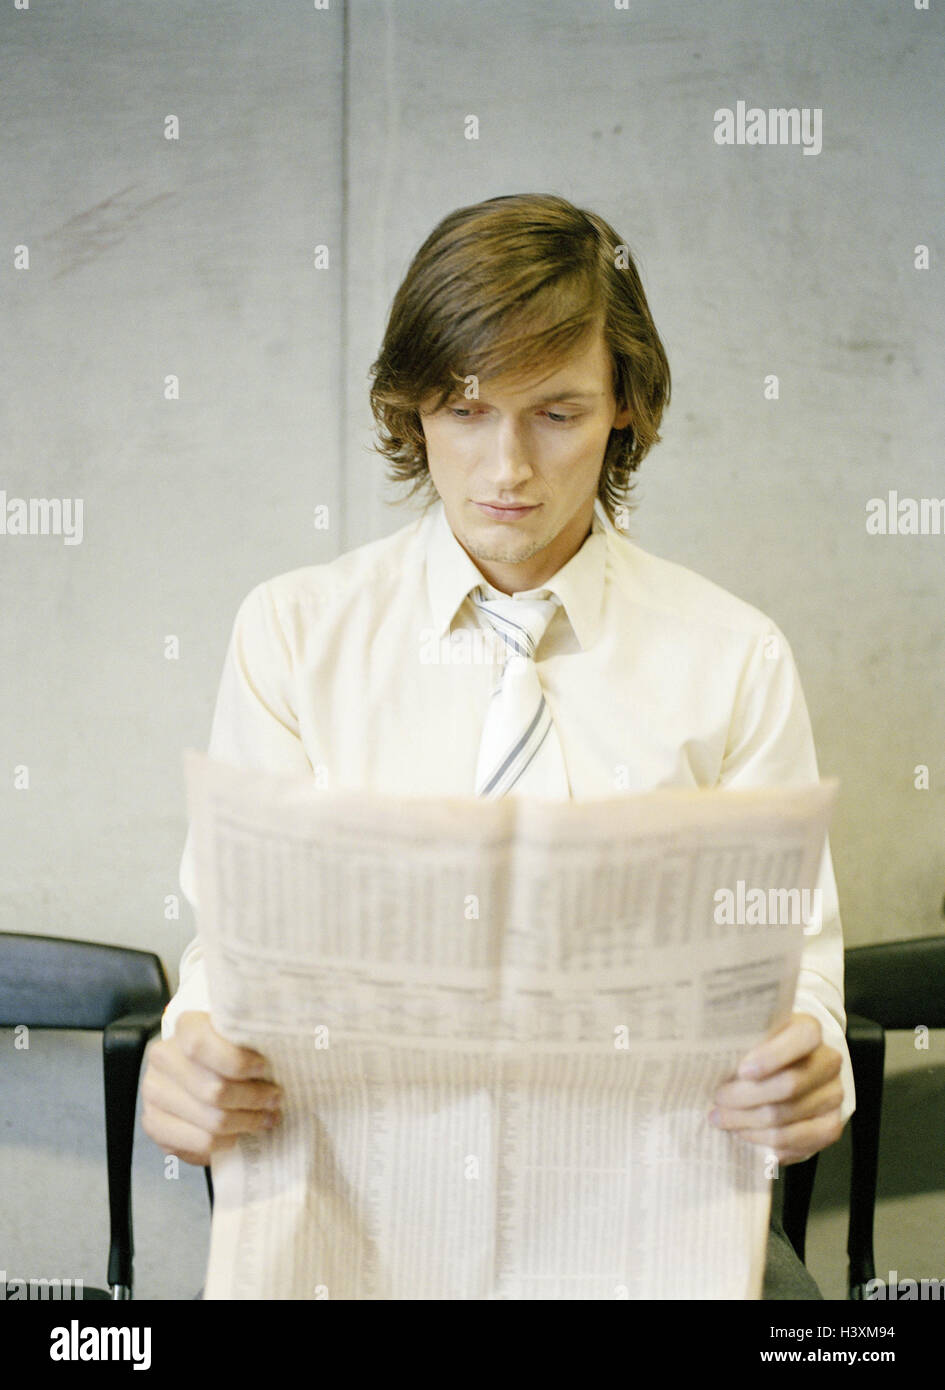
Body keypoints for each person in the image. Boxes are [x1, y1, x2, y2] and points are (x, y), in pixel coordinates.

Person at [142, 192, 854, 1299]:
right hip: (363, 1228)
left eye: (557, 413)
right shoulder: (291, 634)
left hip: (646, 1227)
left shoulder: (734, 656)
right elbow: (234, 958)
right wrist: (189, 1061)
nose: (506, 468)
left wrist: (810, 1070)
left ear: (627, 406)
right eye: (465, 412)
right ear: (413, 406)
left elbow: (797, 972)